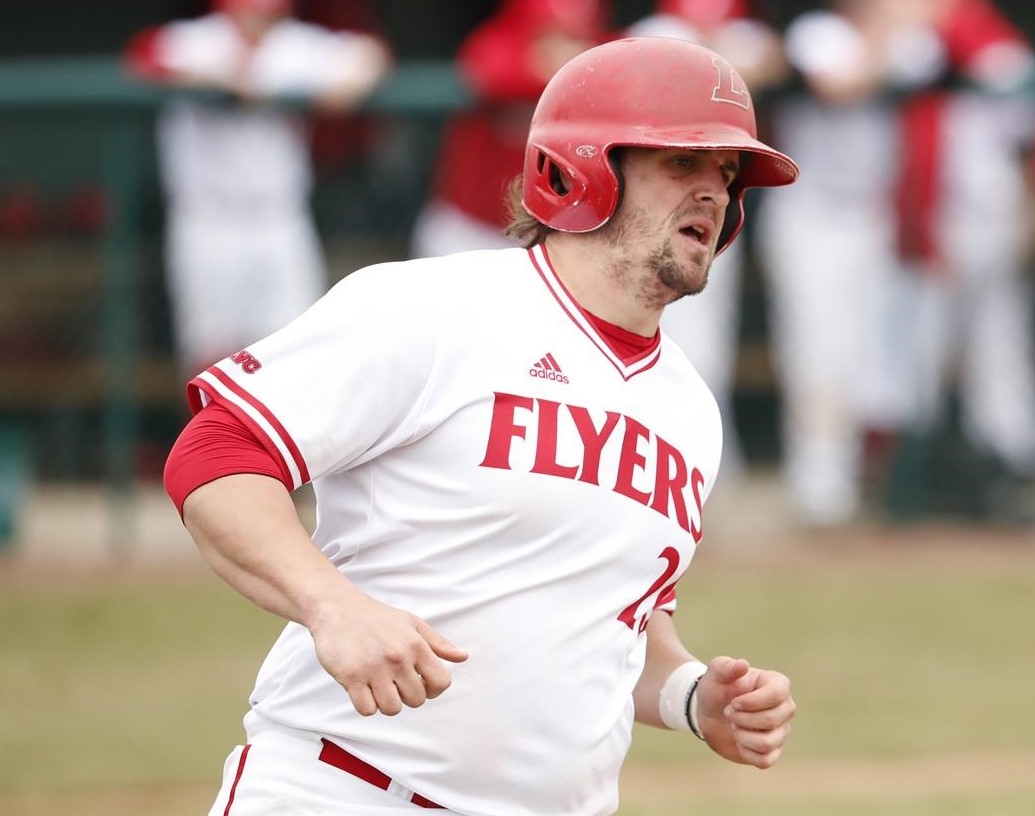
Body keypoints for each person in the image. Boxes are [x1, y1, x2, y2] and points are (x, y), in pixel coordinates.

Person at [163, 36, 799, 816]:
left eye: (728, 175)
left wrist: (693, 697)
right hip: (343, 791)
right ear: (583, 165)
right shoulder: (435, 308)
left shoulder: (692, 411)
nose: (715, 193)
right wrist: (330, 603)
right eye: (683, 164)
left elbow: (614, 631)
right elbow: (217, 450)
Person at [124, 0, 391, 381]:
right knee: (211, 361)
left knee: (297, 354)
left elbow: (371, 54)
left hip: (279, 221)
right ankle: (217, 442)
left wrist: (349, 85)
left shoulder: (293, 45)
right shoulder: (197, 42)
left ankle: (276, 442)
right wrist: (224, 82)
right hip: (208, 223)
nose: (258, 17)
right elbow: (142, 58)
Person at [757, 0, 941, 526]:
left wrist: (905, 27)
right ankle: (818, 487)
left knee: (877, 362)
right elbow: (840, 85)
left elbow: (940, 59)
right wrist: (893, 25)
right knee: (817, 354)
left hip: (873, 218)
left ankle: (869, 488)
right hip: (809, 216)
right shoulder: (820, 31)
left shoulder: (912, 42)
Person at [891, 0, 1035, 518]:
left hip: (987, 219)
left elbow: (1023, 103)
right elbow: (901, 64)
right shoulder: (914, 42)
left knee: (1000, 351)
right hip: (927, 217)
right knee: (919, 357)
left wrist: (1030, 207)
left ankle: (1015, 471)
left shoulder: (987, 35)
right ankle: (914, 479)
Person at [626, 0, 788, 487]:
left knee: (704, 345)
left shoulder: (746, 34)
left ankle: (706, 468)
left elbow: (771, 65)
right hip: (641, 211)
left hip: (706, 213)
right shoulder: (653, 32)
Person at [409, 0, 612, 260]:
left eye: (574, 37)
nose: (563, 47)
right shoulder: (497, 44)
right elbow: (489, 72)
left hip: (550, 231)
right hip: (471, 227)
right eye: (549, 35)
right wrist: (566, 74)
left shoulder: (606, 52)